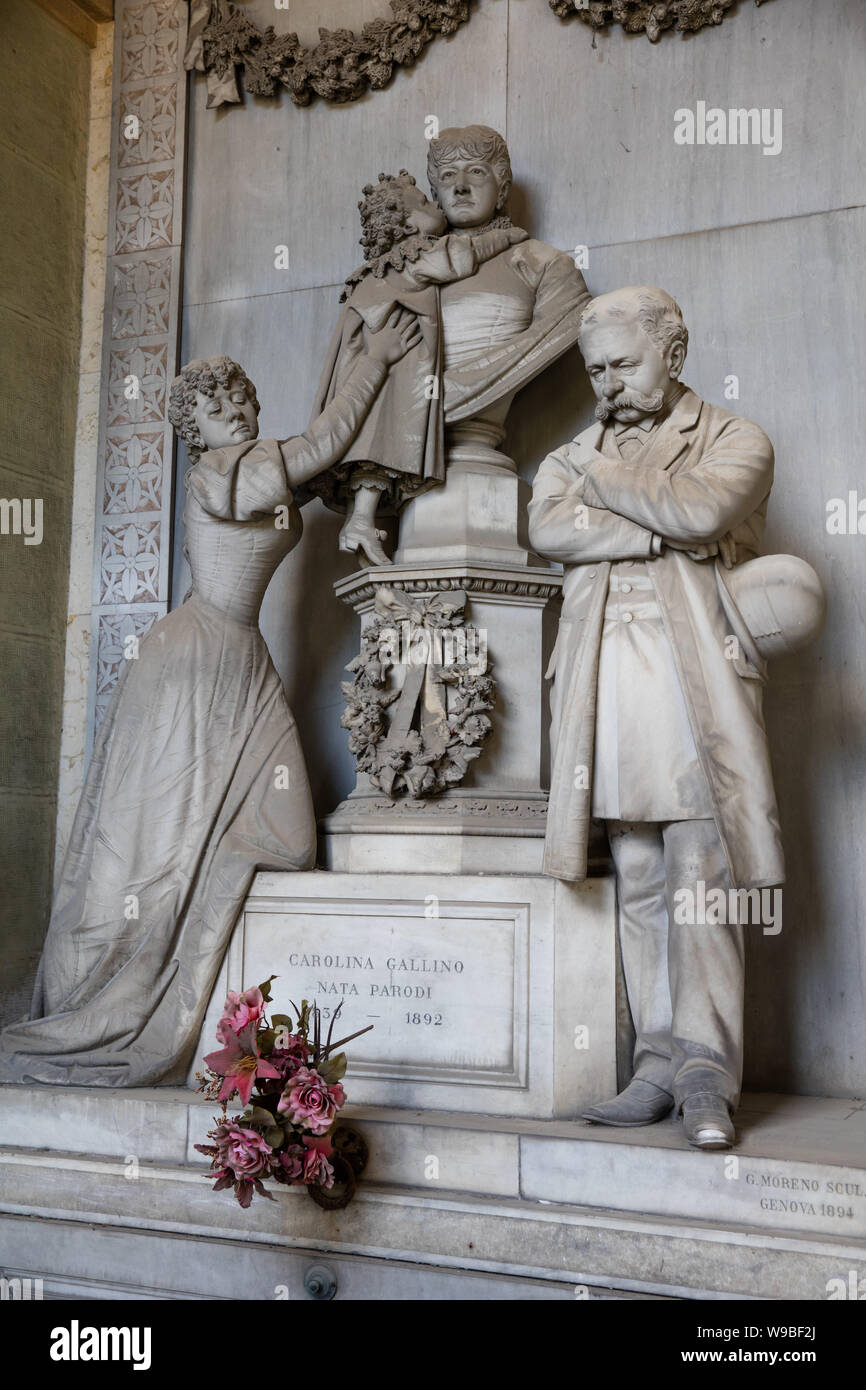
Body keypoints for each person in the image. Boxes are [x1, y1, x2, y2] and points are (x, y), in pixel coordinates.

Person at [0, 310, 421, 1087]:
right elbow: (323, 444)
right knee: (150, 844)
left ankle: (193, 927)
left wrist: (366, 368)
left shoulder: (257, 461)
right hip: (190, 661)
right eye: (214, 403)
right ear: (195, 429)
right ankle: (112, 987)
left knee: (289, 837)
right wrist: (378, 362)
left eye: (241, 396)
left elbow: (332, 458)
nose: (235, 407)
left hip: (241, 656)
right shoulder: (220, 471)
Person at [529, 286, 793, 1150]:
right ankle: (655, 1061)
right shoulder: (567, 458)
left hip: (692, 678)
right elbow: (547, 528)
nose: (606, 384)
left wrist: (605, 481)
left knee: (700, 869)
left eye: (622, 364)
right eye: (595, 369)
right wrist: (653, 526)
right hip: (606, 677)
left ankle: (707, 1070)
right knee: (637, 869)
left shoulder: (731, 437)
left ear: (671, 353)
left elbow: (705, 511)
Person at [308, 168, 528, 565]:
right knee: (383, 434)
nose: (438, 202)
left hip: (377, 359)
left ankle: (362, 521)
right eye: (425, 202)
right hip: (390, 357)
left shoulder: (381, 266)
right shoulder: (417, 251)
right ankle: (361, 521)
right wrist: (506, 237)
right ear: (407, 222)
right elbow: (458, 258)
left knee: (373, 438)